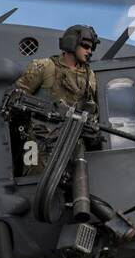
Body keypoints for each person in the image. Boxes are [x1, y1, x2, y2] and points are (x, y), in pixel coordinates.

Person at [13, 25, 100, 175]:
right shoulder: (44, 67)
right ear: (71, 44)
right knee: (32, 184)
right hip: (38, 143)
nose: (89, 51)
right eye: (85, 46)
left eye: (91, 48)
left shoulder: (89, 76)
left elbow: (92, 108)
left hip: (72, 144)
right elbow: (16, 97)